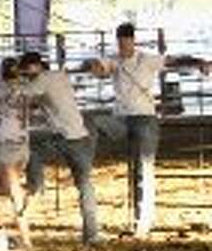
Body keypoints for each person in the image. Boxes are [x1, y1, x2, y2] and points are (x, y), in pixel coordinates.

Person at [82, 22, 210, 238]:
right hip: (121, 118)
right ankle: (84, 159)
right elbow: (99, 66)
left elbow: (174, 60)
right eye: (120, 42)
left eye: (126, 42)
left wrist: (199, 62)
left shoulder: (147, 59)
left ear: (133, 40)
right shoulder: (114, 60)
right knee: (92, 122)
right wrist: (94, 65)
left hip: (145, 118)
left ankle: (143, 221)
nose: (123, 46)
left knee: (144, 167)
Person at [18, 51, 101, 246]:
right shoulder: (58, 76)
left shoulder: (42, 80)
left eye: (26, 70)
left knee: (33, 153)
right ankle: (92, 234)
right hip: (81, 137)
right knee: (85, 186)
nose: (25, 74)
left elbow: (20, 96)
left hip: (64, 139)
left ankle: (35, 186)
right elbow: (44, 101)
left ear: (35, 66)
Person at [0, 56, 33, 250]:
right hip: (18, 144)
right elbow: (5, 107)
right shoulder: (24, 89)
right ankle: (23, 192)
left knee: (7, 192)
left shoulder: (3, 89)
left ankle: (26, 240)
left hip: (10, 146)